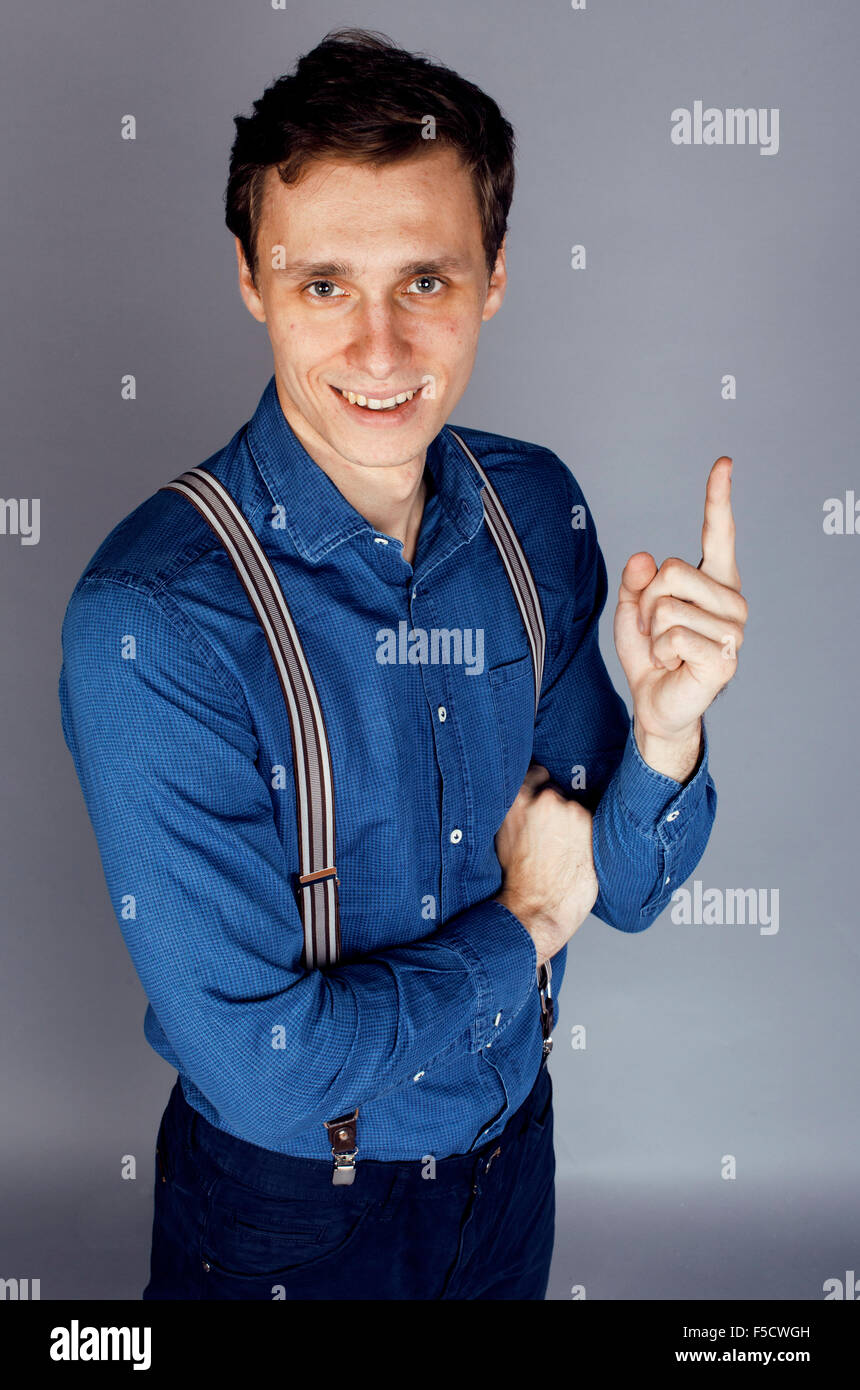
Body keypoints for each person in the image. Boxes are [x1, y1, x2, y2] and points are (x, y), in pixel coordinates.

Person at [58, 27, 744, 1301]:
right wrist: (528, 921)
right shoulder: (151, 617)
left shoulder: (536, 510)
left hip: (512, 1166)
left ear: (492, 276)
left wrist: (664, 737)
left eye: (423, 281)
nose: (379, 350)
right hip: (288, 1216)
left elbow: (633, 889)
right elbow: (270, 1064)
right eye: (323, 284)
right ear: (252, 282)